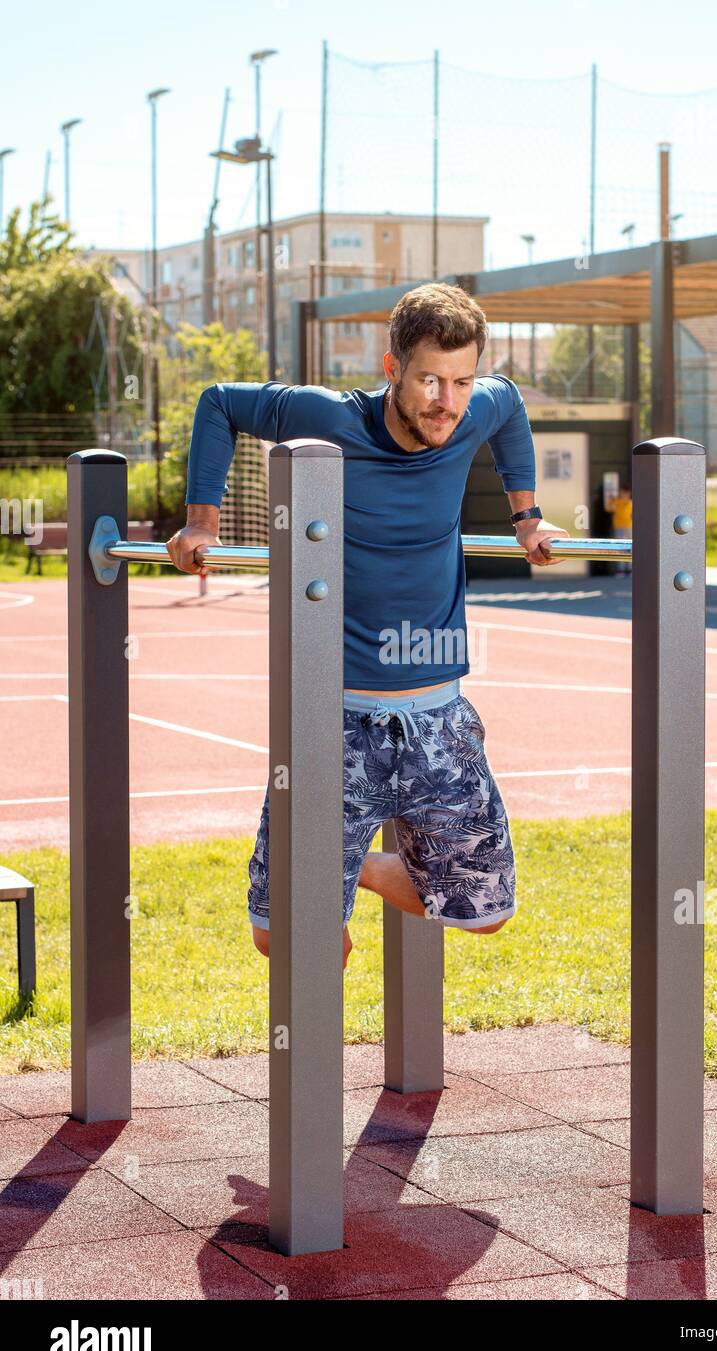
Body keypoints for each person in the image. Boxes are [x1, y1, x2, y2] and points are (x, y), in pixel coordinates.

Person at [167, 282, 571, 970]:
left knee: (488, 909)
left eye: (461, 381)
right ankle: (321, 882)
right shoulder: (329, 419)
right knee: (282, 935)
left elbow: (510, 411)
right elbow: (219, 403)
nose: (448, 401)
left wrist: (526, 515)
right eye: (429, 381)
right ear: (392, 369)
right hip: (336, 720)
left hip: (438, 718)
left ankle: (354, 869)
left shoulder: (481, 406)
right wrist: (201, 521)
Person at [604, 481, 632, 575]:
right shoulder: (617, 502)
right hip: (619, 527)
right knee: (620, 548)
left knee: (630, 548)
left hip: (629, 527)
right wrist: (611, 500)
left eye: (626, 492)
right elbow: (608, 508)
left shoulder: (630, 503)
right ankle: (621, 570)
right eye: (622, 492)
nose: (624, 494)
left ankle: (629, 569)